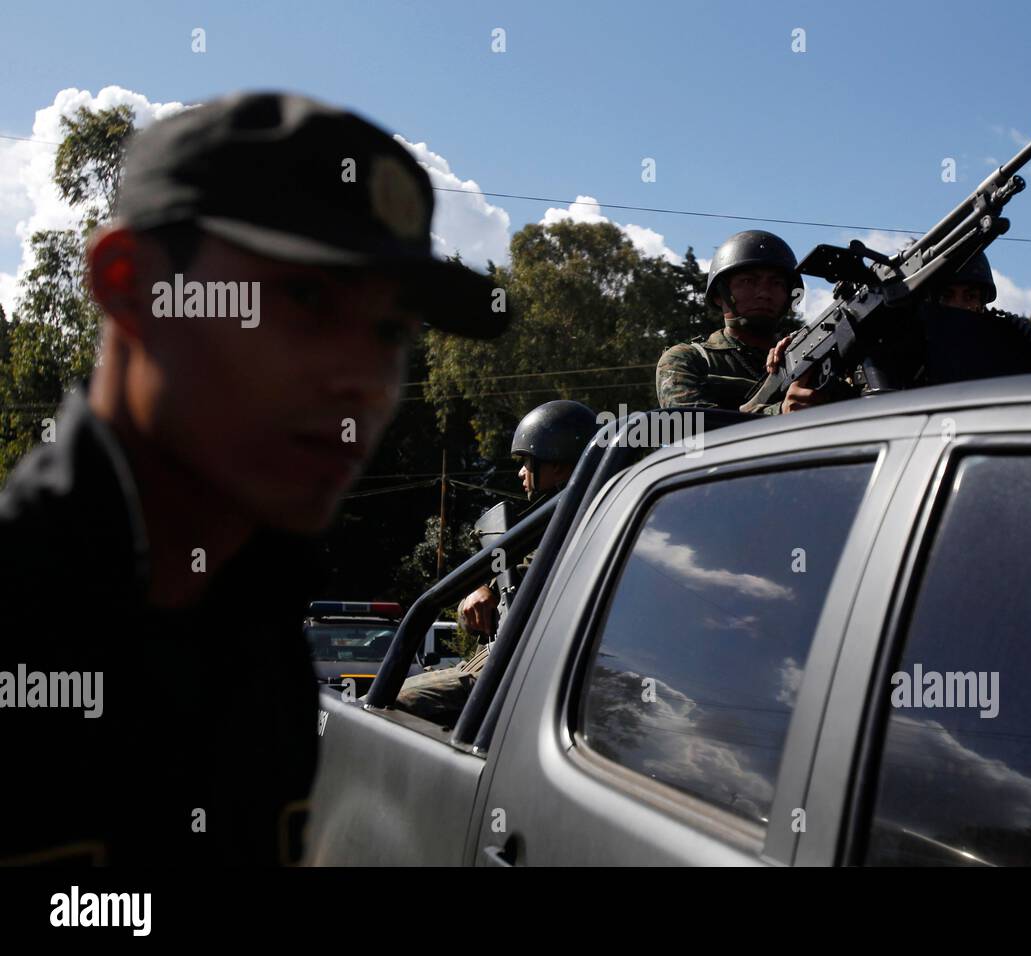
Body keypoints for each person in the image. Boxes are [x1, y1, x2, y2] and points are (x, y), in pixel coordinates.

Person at [0, 92, 507, 865]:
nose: (366, 384)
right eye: (306, 297)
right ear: (129, 282)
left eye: (390, 332)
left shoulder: (254, 620)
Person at [395, 400, 597, 726]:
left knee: (388, 703)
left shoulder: (576, 522)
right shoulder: (547, 522)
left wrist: (490, 592)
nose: (520, 472)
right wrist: (482, 590)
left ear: (558, 465)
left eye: (527, 462)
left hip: (516, 671)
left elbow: (537, 582)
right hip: (503, 664)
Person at [768, 251, 1031, 413]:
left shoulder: (1001, 351)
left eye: (970, 296)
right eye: (945, 296)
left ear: (983, 301)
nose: (958, 306)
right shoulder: (893, 353)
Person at [655, 230, 803, 413]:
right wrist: (780, 412)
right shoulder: (690, 360)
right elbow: (697, 429)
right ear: (720, 295)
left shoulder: (800, 357)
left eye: (777, 283)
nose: (764, 293)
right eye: (749, 281)